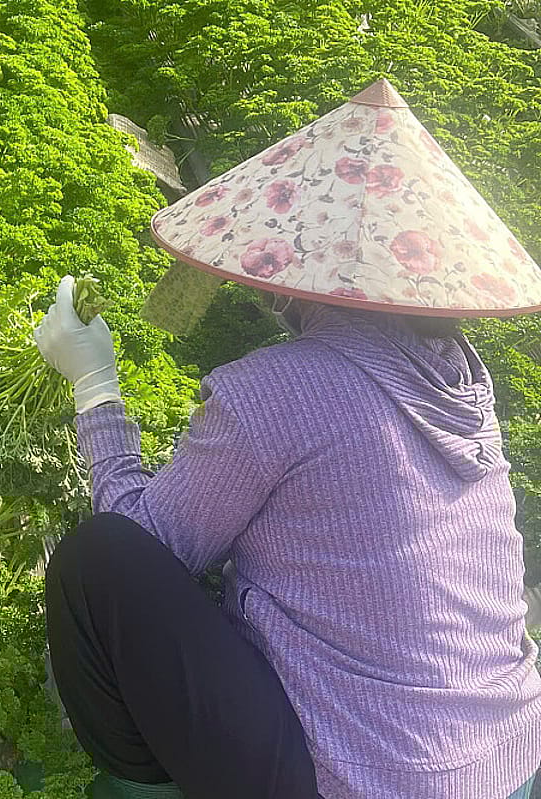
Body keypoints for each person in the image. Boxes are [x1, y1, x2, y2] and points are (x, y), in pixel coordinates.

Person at [32, 79, 541, 799]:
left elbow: (147, 540)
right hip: (510, 755)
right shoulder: (460, 375)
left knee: (98, 561)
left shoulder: (277, 388)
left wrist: (96, 388)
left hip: (376, 775)